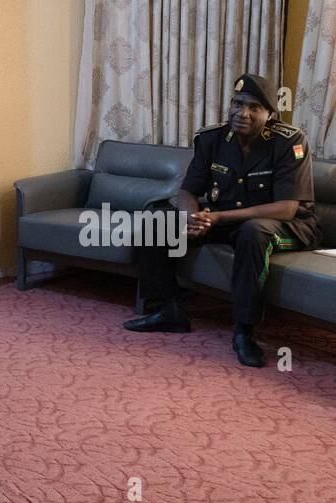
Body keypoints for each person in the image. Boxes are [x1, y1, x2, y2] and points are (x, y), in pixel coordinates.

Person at [123, 73, 322, 367]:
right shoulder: (212, 138)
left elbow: (285, 209)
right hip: (225, 220)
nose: (242, 113)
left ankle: (244, 331)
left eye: (254, 107)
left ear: (270, 113)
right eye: (237, 103)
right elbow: (188, 190)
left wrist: (216, 217)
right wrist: (192, 218)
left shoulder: (289, 141)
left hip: (287, 226)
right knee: (156, 223)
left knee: (253, 232)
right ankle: (168, 310)